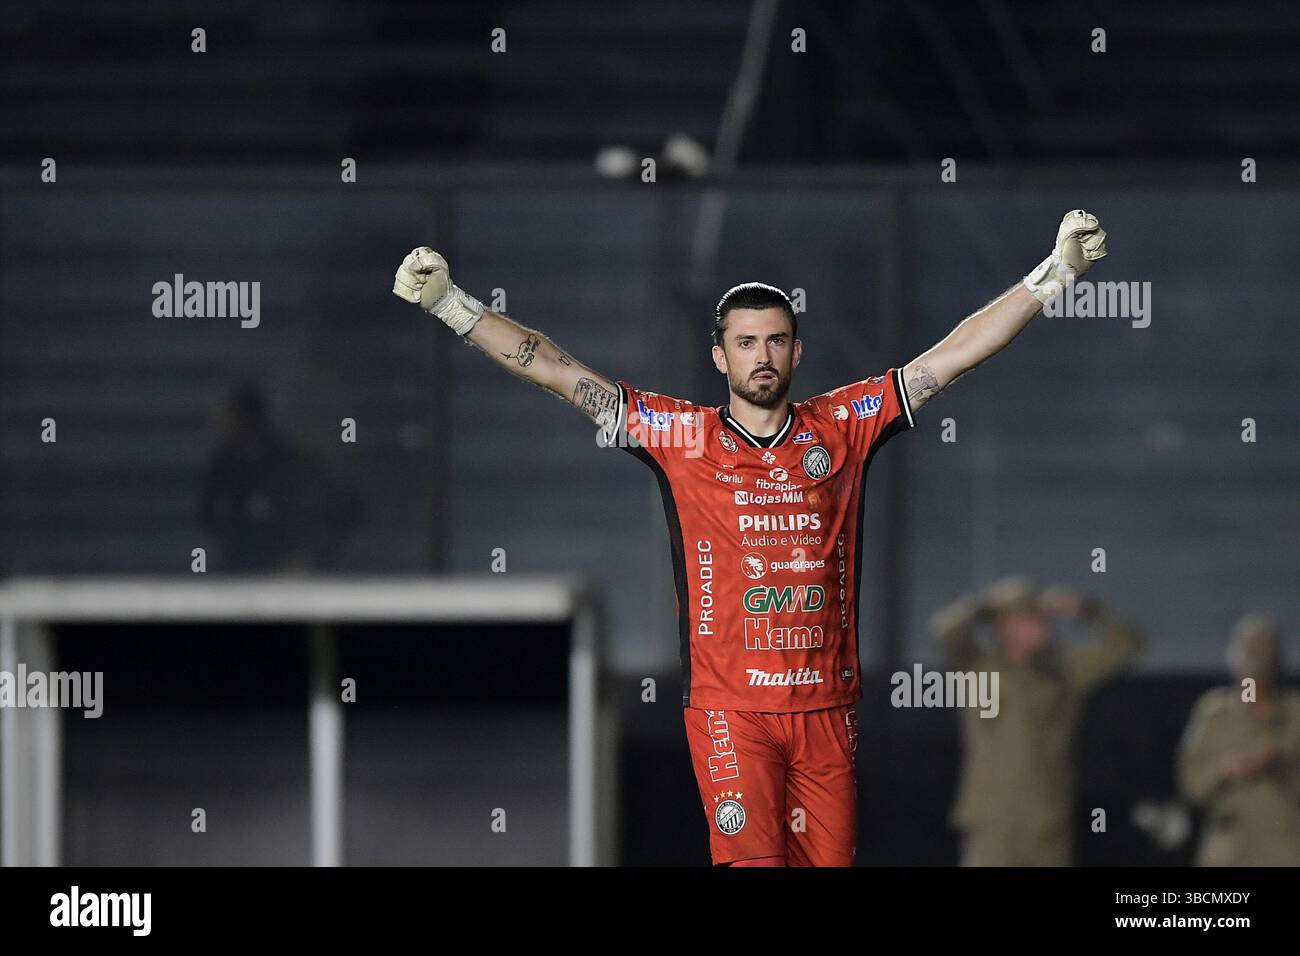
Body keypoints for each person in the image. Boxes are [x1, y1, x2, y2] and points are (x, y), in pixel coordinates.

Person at [393, 211, 1108, 866]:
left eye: (774, 341)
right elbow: (554, 367)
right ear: (719, 359)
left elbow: (953, 355)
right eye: (745, 343)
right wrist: (454, 305)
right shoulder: (681, 437)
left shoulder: (847, 423)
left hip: (827, 711)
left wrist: (1055, 273)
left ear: (797, 351)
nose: (761, 356)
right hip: (731, 712)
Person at [931, 576, 1144, 865]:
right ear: (1004, 626)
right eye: (1029, 618)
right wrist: (983, 606)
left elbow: (1128, 645)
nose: (1042, 626)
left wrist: (1086, 609)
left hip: (1046, 822)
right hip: (993, 822)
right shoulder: (977, 667)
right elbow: (945, 631)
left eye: (1042, 618)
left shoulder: (1062, 672)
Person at [1177, 613, 1300, 866]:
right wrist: (1224, 769)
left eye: (1263, 647)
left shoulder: (1295, 713)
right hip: (1229, 850)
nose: (1255, 654)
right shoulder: (1215, 712)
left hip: (1284, 848)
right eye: (1248, 647)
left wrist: (1276, 761)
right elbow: (1191, 785)